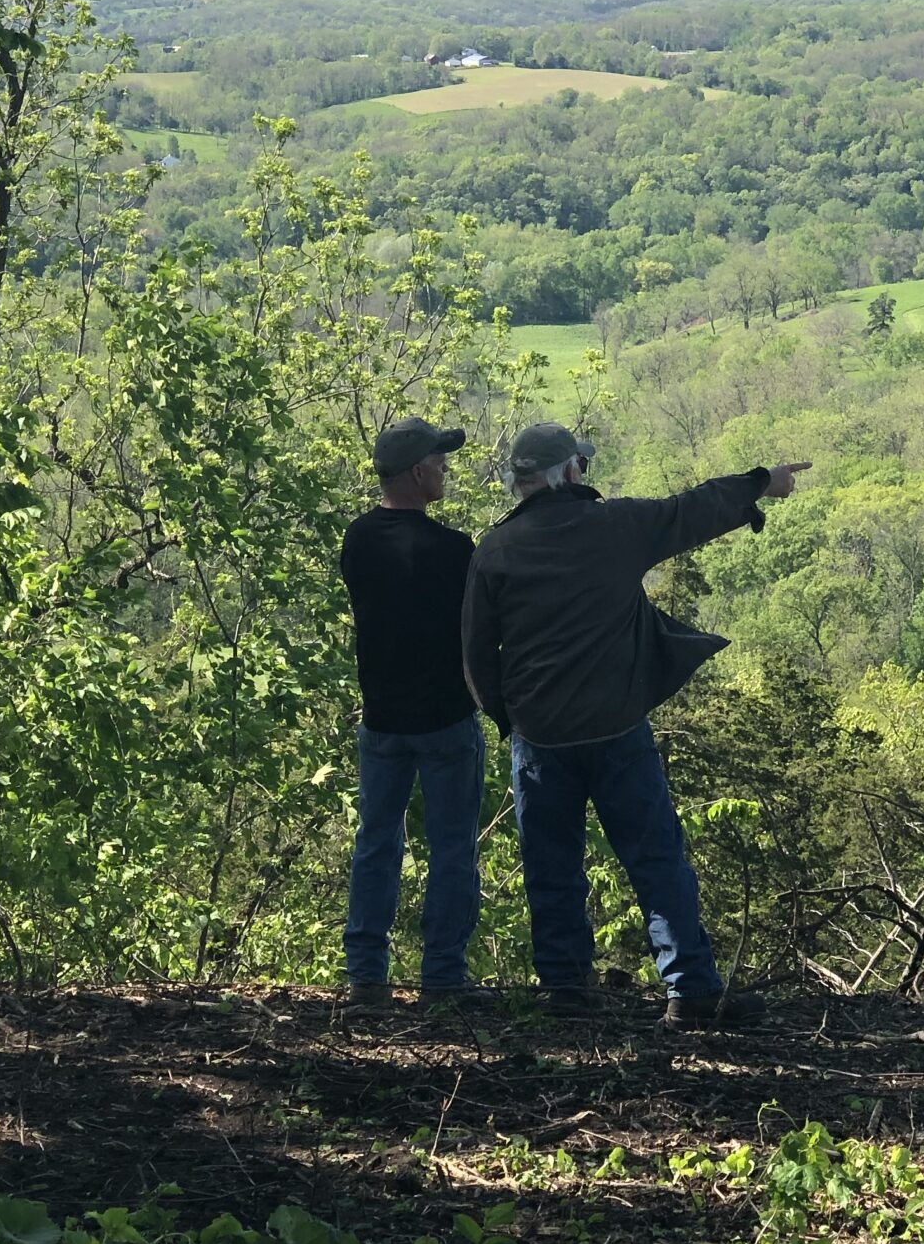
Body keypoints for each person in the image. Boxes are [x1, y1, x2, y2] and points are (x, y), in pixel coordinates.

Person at [461, 422, 807, 1029]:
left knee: (551, 868)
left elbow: (476, 655)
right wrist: (762, 483)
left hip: (540, 738)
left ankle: (566, 989)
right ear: (568, 473)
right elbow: (690, 511)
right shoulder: (614, 527)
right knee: (655, 859)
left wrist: (511, 721)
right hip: (618, 728)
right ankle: (690, 987)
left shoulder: (495, 550)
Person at [336, 414, 485, 1007]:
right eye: (441, 463)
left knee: (376, 842)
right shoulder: (454, 550)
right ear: (419, 471)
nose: (446, 470)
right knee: (451, 849)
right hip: (446, 720)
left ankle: (365, 976)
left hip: (382, 721)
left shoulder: (358, 539)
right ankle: (443, 978)